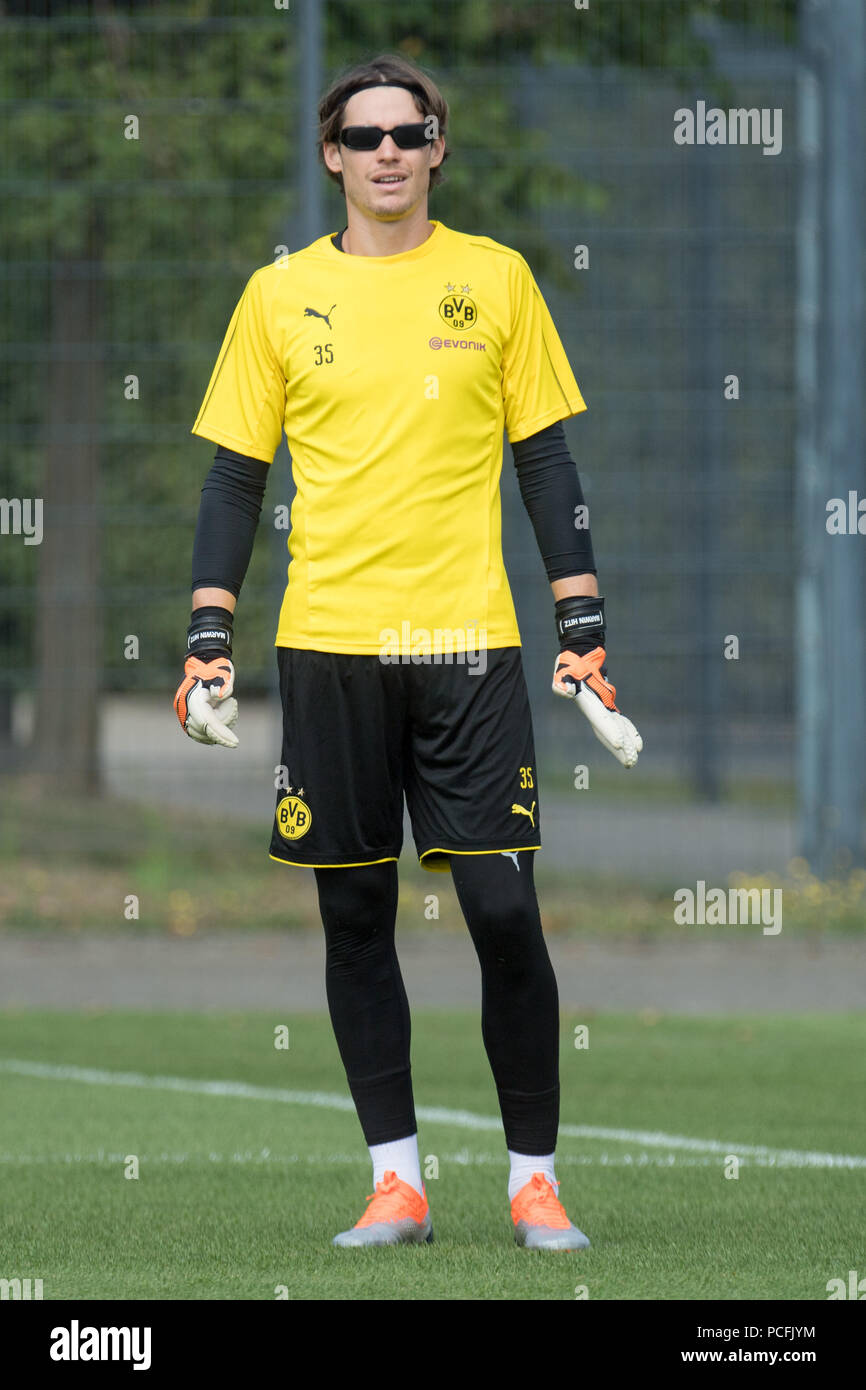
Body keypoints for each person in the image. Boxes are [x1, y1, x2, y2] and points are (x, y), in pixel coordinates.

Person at [174, 53, 640, 1252]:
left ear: (437, 148)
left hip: (469, 647)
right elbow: (236, 476)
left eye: (410, 130)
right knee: (354, 917)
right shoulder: (277, 296)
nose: (387, 149)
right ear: (331, 154)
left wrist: (579, 619)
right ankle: (398, 1184)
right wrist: (208, 628)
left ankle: (533, 1183)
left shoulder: (494, 280)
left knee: (499, 907)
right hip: (326, 647)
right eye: (364, 133)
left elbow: (545, 461)